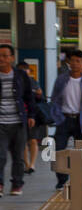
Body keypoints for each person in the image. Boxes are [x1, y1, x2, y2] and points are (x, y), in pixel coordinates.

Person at [49, 49, 82, 190]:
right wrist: (57, 117)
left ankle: (79, 178)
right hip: (63, 119)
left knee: (81, 151)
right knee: (58, 151)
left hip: (80, 121)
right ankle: (62, 180)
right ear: (68, 62)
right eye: (72, 61)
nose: (75, 64)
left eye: (78, 61)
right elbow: (55, 99)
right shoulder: (61, 80)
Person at [0, 44, 36, 197]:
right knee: (0, 155)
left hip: (18, 122)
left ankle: (17, 184)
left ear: (12, 58)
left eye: (5, 56)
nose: (1, 59)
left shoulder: (21, 75)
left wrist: (31, 116)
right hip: (1, 123)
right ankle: (0, 184)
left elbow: (29, 97)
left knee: (18, 156)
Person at [16, 61, 45, 176]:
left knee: (33, 140)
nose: (24, 72)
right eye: (21, 70)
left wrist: (39, 94)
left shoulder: (33, 82)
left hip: (32, 115)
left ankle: (32, 164)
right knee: (22, 141)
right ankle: (27, 164)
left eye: (26, 69)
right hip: (19, 116)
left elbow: (41, 99)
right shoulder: (14, 82)